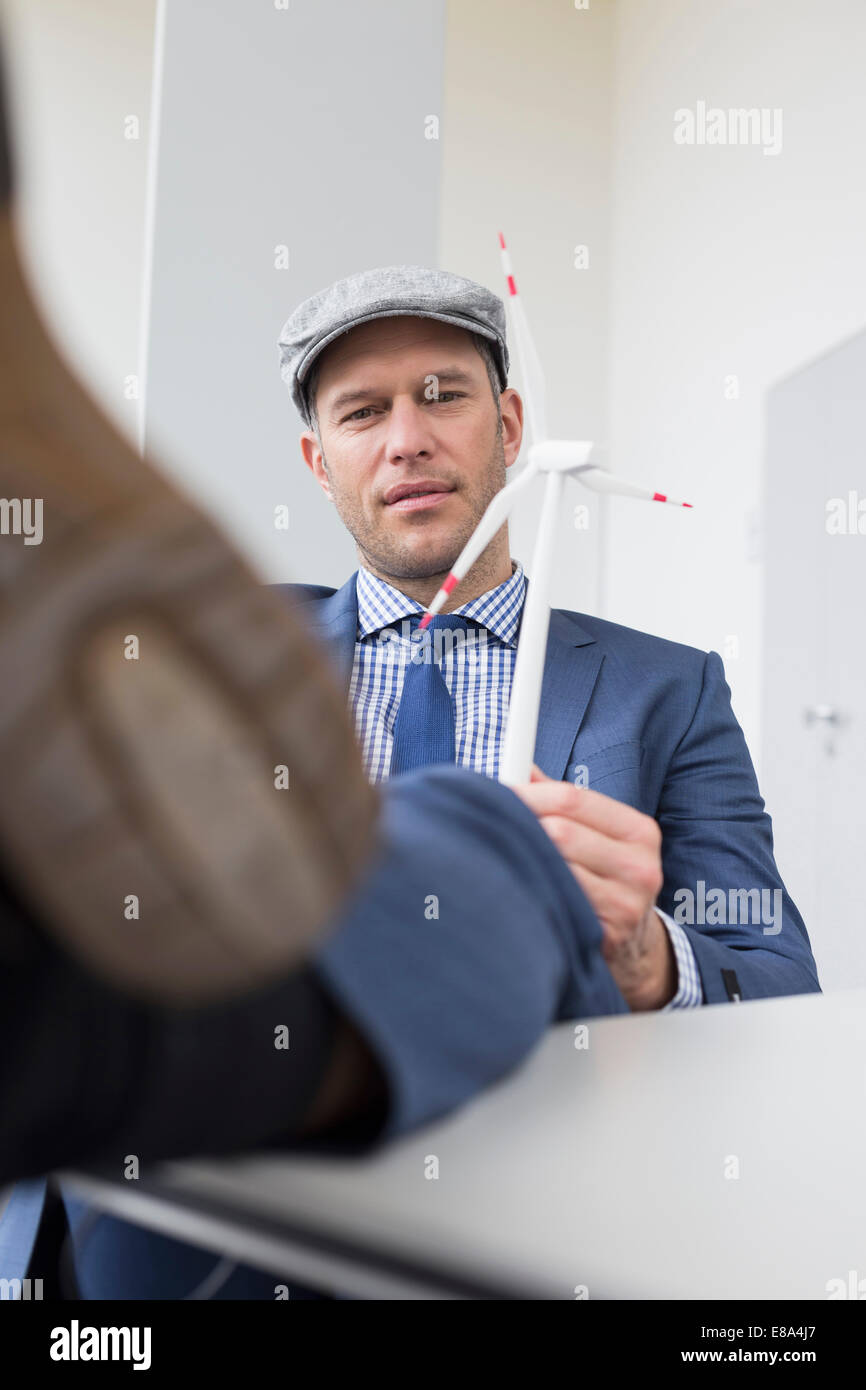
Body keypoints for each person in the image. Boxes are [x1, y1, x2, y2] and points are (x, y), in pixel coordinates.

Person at [0, 46, 626, 1301]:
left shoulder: (669, 686)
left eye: (444, 394)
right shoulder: (206, 664)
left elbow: (777, 965)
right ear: (313, 460)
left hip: (534, 1209)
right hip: (177, 1224)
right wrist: (499, 860)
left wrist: (656, 951)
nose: (405, 440)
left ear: (510, 430)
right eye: (360, 413)